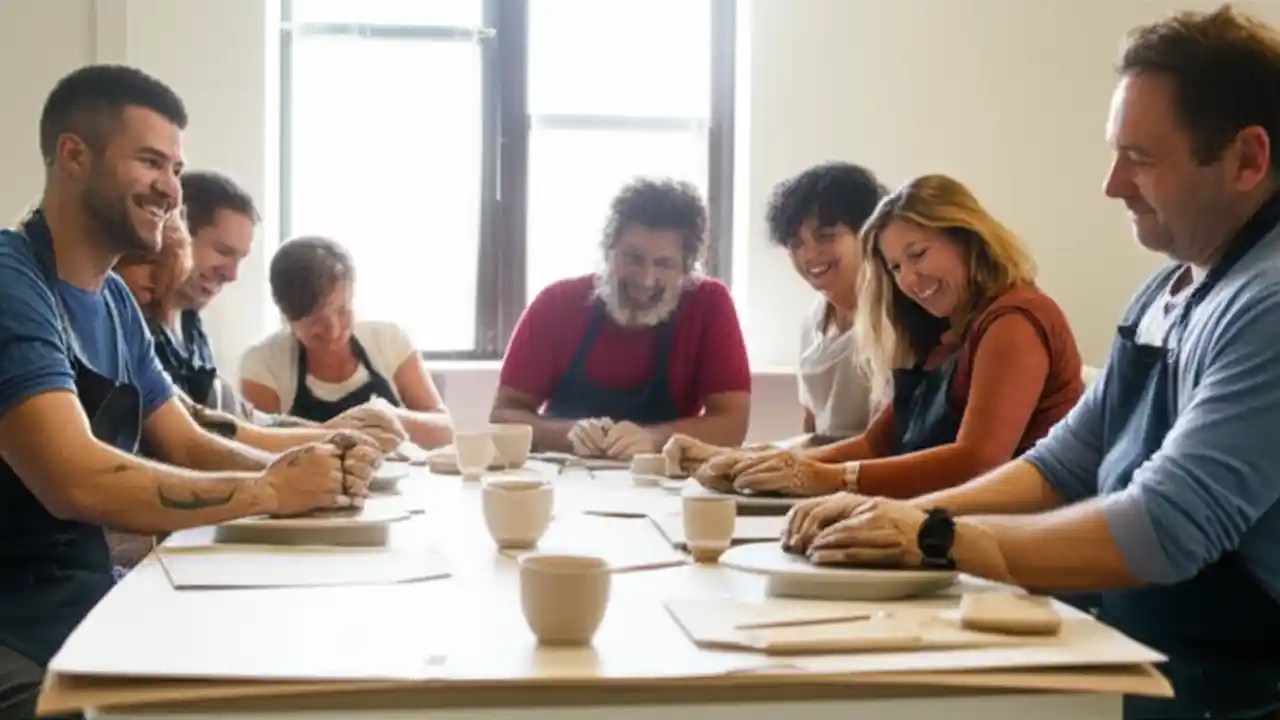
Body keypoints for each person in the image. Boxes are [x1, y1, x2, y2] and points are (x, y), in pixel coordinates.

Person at [781, 6, 1280, 718]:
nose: (1112, 185)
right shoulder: (1167, 288)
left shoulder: (1268, 303)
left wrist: (929, 536)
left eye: (1139, 159)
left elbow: (1167, 529)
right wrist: (892, 515)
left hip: (1237, 686)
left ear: (1248, 159)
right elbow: (1062, 465)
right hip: (1148, 652)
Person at [0, 64, 380, 719]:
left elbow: (187, 436)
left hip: (84, 599)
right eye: (151, 162)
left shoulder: (116, 302)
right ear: (73, 156)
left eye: (176, 169)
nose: (171, 191)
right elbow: (74, 479)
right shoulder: (12, 281)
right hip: (15, 626)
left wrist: (315, 470)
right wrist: (270, 489)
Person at [676, 174, 1084, 497]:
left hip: (1016, 537)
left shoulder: (1014, 319)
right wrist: (756, 464)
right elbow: (874, 444)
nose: (909, 278)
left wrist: (827, 478)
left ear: (967, 238)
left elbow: (978, 460)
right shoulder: (943, 331)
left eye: (918, 254)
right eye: (894, 268)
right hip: (951, 519)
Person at [491, 177, 751, 460]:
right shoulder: (557, 303)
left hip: (662, 483)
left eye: (664, 264)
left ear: (687, 269)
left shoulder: (708, 304)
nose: (646, 280)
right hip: (565, 481)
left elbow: (732, 424)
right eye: (633, 258)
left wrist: (654, 439)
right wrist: (566, 434)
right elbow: (504, 415)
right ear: (608, 251)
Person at [153, 170, 408, 445]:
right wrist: (328, 437)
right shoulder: (136, 327)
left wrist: (333, 433)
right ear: (175, 232)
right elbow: (198, 439)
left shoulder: (190, 327)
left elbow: (237, 420)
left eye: (240, 259)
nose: (232, 275)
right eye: (223, 251)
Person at [239, 236, 454, 449]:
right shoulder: (262, 363)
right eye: (316, 318)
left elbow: (445, 430)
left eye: (343, 310)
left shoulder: (389, 340)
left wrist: (395, 419)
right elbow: (260, 447)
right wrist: (339, 432)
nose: (333, 329)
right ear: (288, 317)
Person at [766, 162, 886, 446]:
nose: (809, 255)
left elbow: (884, 441)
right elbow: (812, 425)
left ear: (868, 234)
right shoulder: (815, 318)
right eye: (796, 243)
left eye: (825, 236)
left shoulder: (893, 317)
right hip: (822, 470)